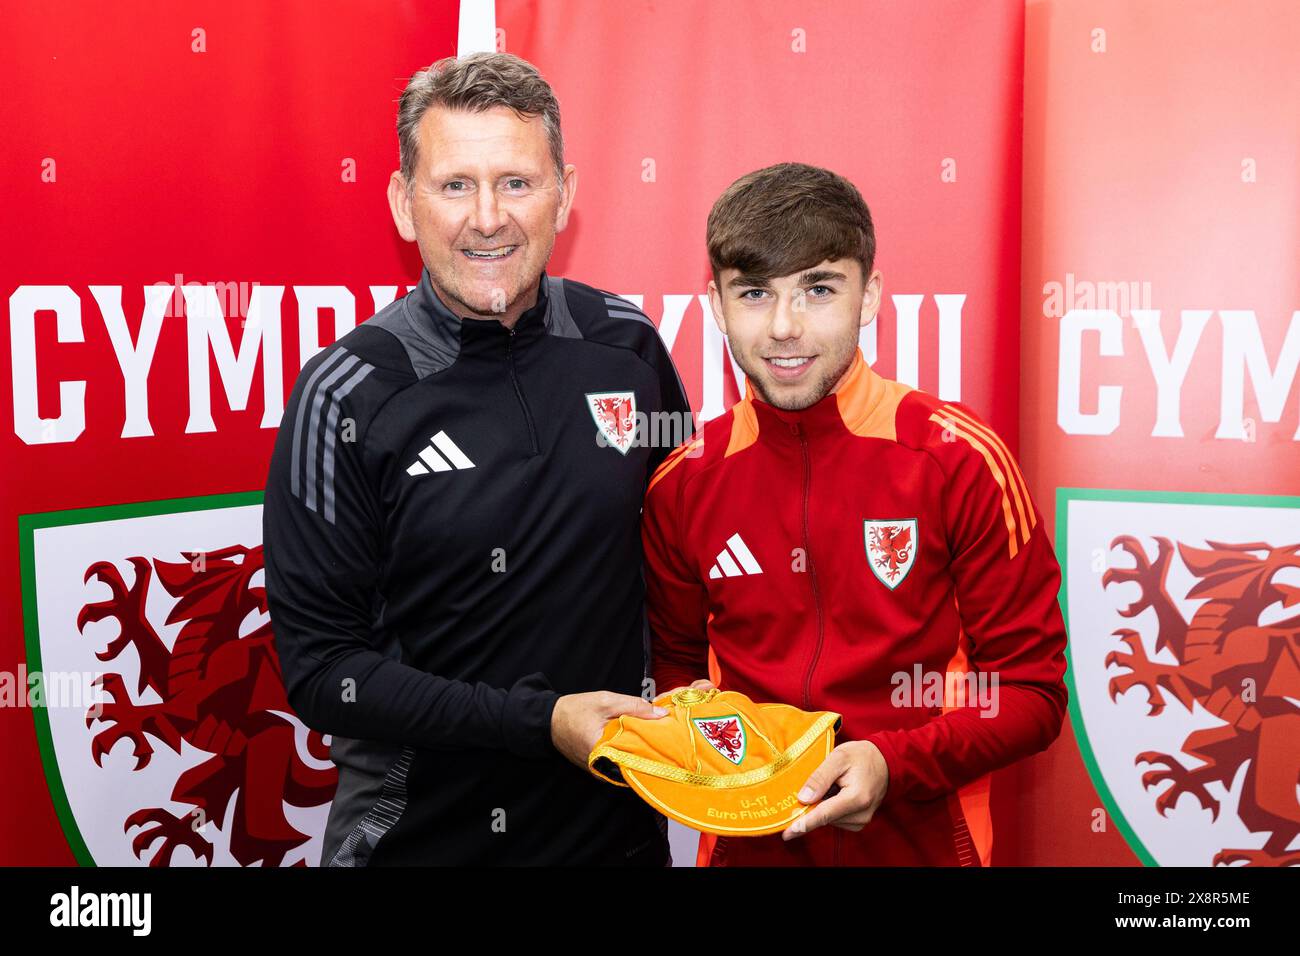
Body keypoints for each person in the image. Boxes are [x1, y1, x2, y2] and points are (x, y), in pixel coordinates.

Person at [263, 52, 692, 866]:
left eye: (518, 183)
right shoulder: (345, 393)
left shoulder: (627, 345)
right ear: (403, 203)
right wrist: (542, 721)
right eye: (455, 184)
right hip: (420, 844)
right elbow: (323, 671)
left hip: (621, 841)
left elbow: (685, 562)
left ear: (565, 194)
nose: (488, 217)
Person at [642, 162, 1068, 866]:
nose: (784, 327)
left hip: (925, 843)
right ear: (715, 306)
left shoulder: (956, 459)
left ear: (869, 295)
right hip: (748, 851)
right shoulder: (681, 485)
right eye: (754, 294)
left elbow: (1030, 691)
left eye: (818, 289)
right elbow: (680, 680)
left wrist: (893, 764)